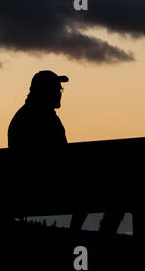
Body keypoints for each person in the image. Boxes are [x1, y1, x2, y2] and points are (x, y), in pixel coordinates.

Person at [7, 69, 123, 234]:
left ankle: (78, 236)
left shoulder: (21, 117)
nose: (60, 93)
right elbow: (62, 159)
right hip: (51, 189)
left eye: (61, 89)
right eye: (57, 89)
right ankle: (100, 239)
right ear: (45, 92)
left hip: (26, 191)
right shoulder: (46, 120)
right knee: (119, 192)